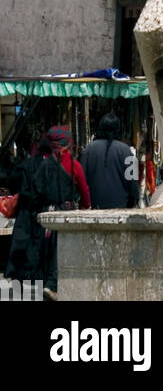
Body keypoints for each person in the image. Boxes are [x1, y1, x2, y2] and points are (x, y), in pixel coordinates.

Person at [5, 129, 90, 301]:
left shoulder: (29, 166)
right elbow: (84, 192)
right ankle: (48, 287)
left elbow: (18, 185)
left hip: (28, 221)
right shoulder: (70, 164)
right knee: (49, 260)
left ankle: (25, 294)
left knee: (26, 267)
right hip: (53, 218)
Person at [81, 113, 140, 209]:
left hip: (95, 209)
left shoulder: (88, 150)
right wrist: (134, 202)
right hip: (121, 209)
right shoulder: (126, 150)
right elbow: (133, 183)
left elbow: (82, 179)